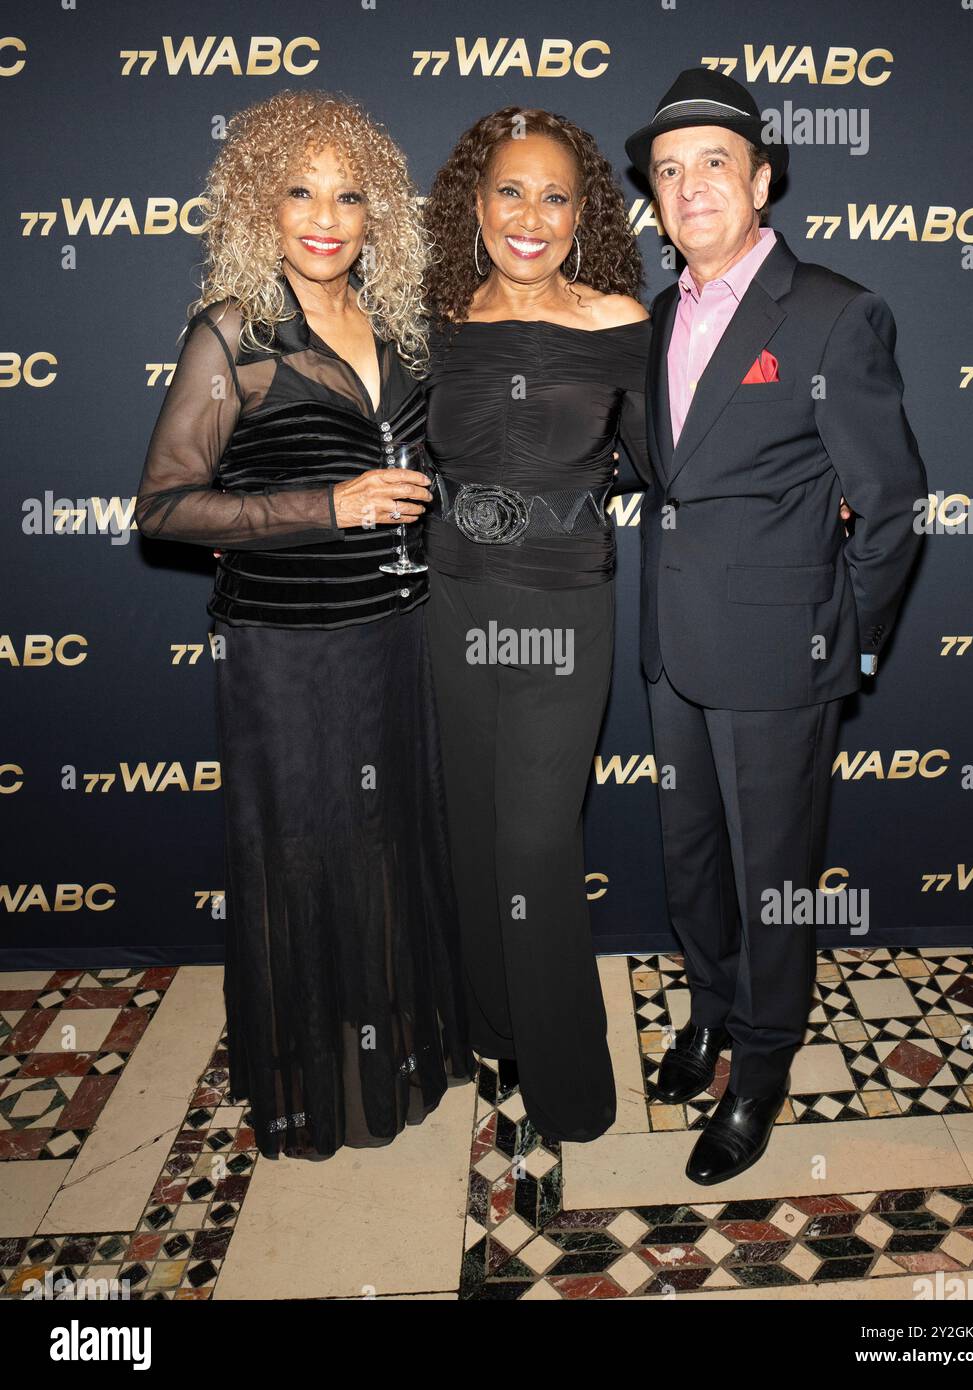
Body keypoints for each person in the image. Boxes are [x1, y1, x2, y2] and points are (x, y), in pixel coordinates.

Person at [134, 88, 474, 1161]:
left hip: (398, 634)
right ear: (257, 204)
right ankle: (317, 1082)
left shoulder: (394, 322)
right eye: (300, 192)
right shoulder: (232, 331)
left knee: (388, 847)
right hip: (286, 647)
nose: (326, 216)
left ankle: (402, 1053)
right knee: (305, 855)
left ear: (378, 216)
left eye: (349, 195)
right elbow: (166, 507)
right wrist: (328, 504)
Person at [624, 68, 926, 1183]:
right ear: (651, 198)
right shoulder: (658, 316)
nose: (689, 186)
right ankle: (708, 1013)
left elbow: (889, 502)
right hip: (671, 649)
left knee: (771, 877)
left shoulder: (833, 310)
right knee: (690, 858)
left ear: (759, 177)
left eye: (713, 163)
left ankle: (758, 1068)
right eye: (667, 170)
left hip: (779, 656)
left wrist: (841, 643)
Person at [420, 107, 650, 1141]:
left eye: (553, 194)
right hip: (454, 602)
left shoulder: (616, 323)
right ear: (474, 205)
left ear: (580, 213)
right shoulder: (431, 322)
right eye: (509, 189)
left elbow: (671, 461)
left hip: (563, 609)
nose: (530, 214)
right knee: (472, 831)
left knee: (532, 842)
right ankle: (493, 1027)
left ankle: (569, 1084)